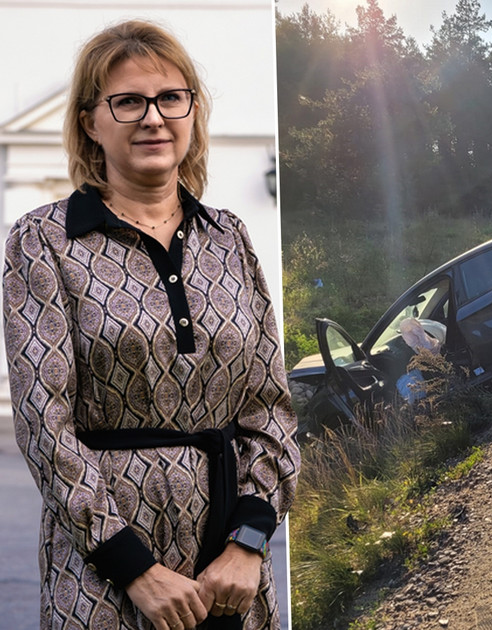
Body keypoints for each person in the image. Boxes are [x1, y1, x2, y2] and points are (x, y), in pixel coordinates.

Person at [2, 21, 299, 630]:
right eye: (128, 101)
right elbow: (44, 422)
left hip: (228, 567)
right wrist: (133, 567)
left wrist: (247, 544)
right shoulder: (45, 241)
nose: (153, 118)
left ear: (192, 110)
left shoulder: (230, 237)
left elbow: (271, 410)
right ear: (91, 122)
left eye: (171, 97)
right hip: (105, 565)